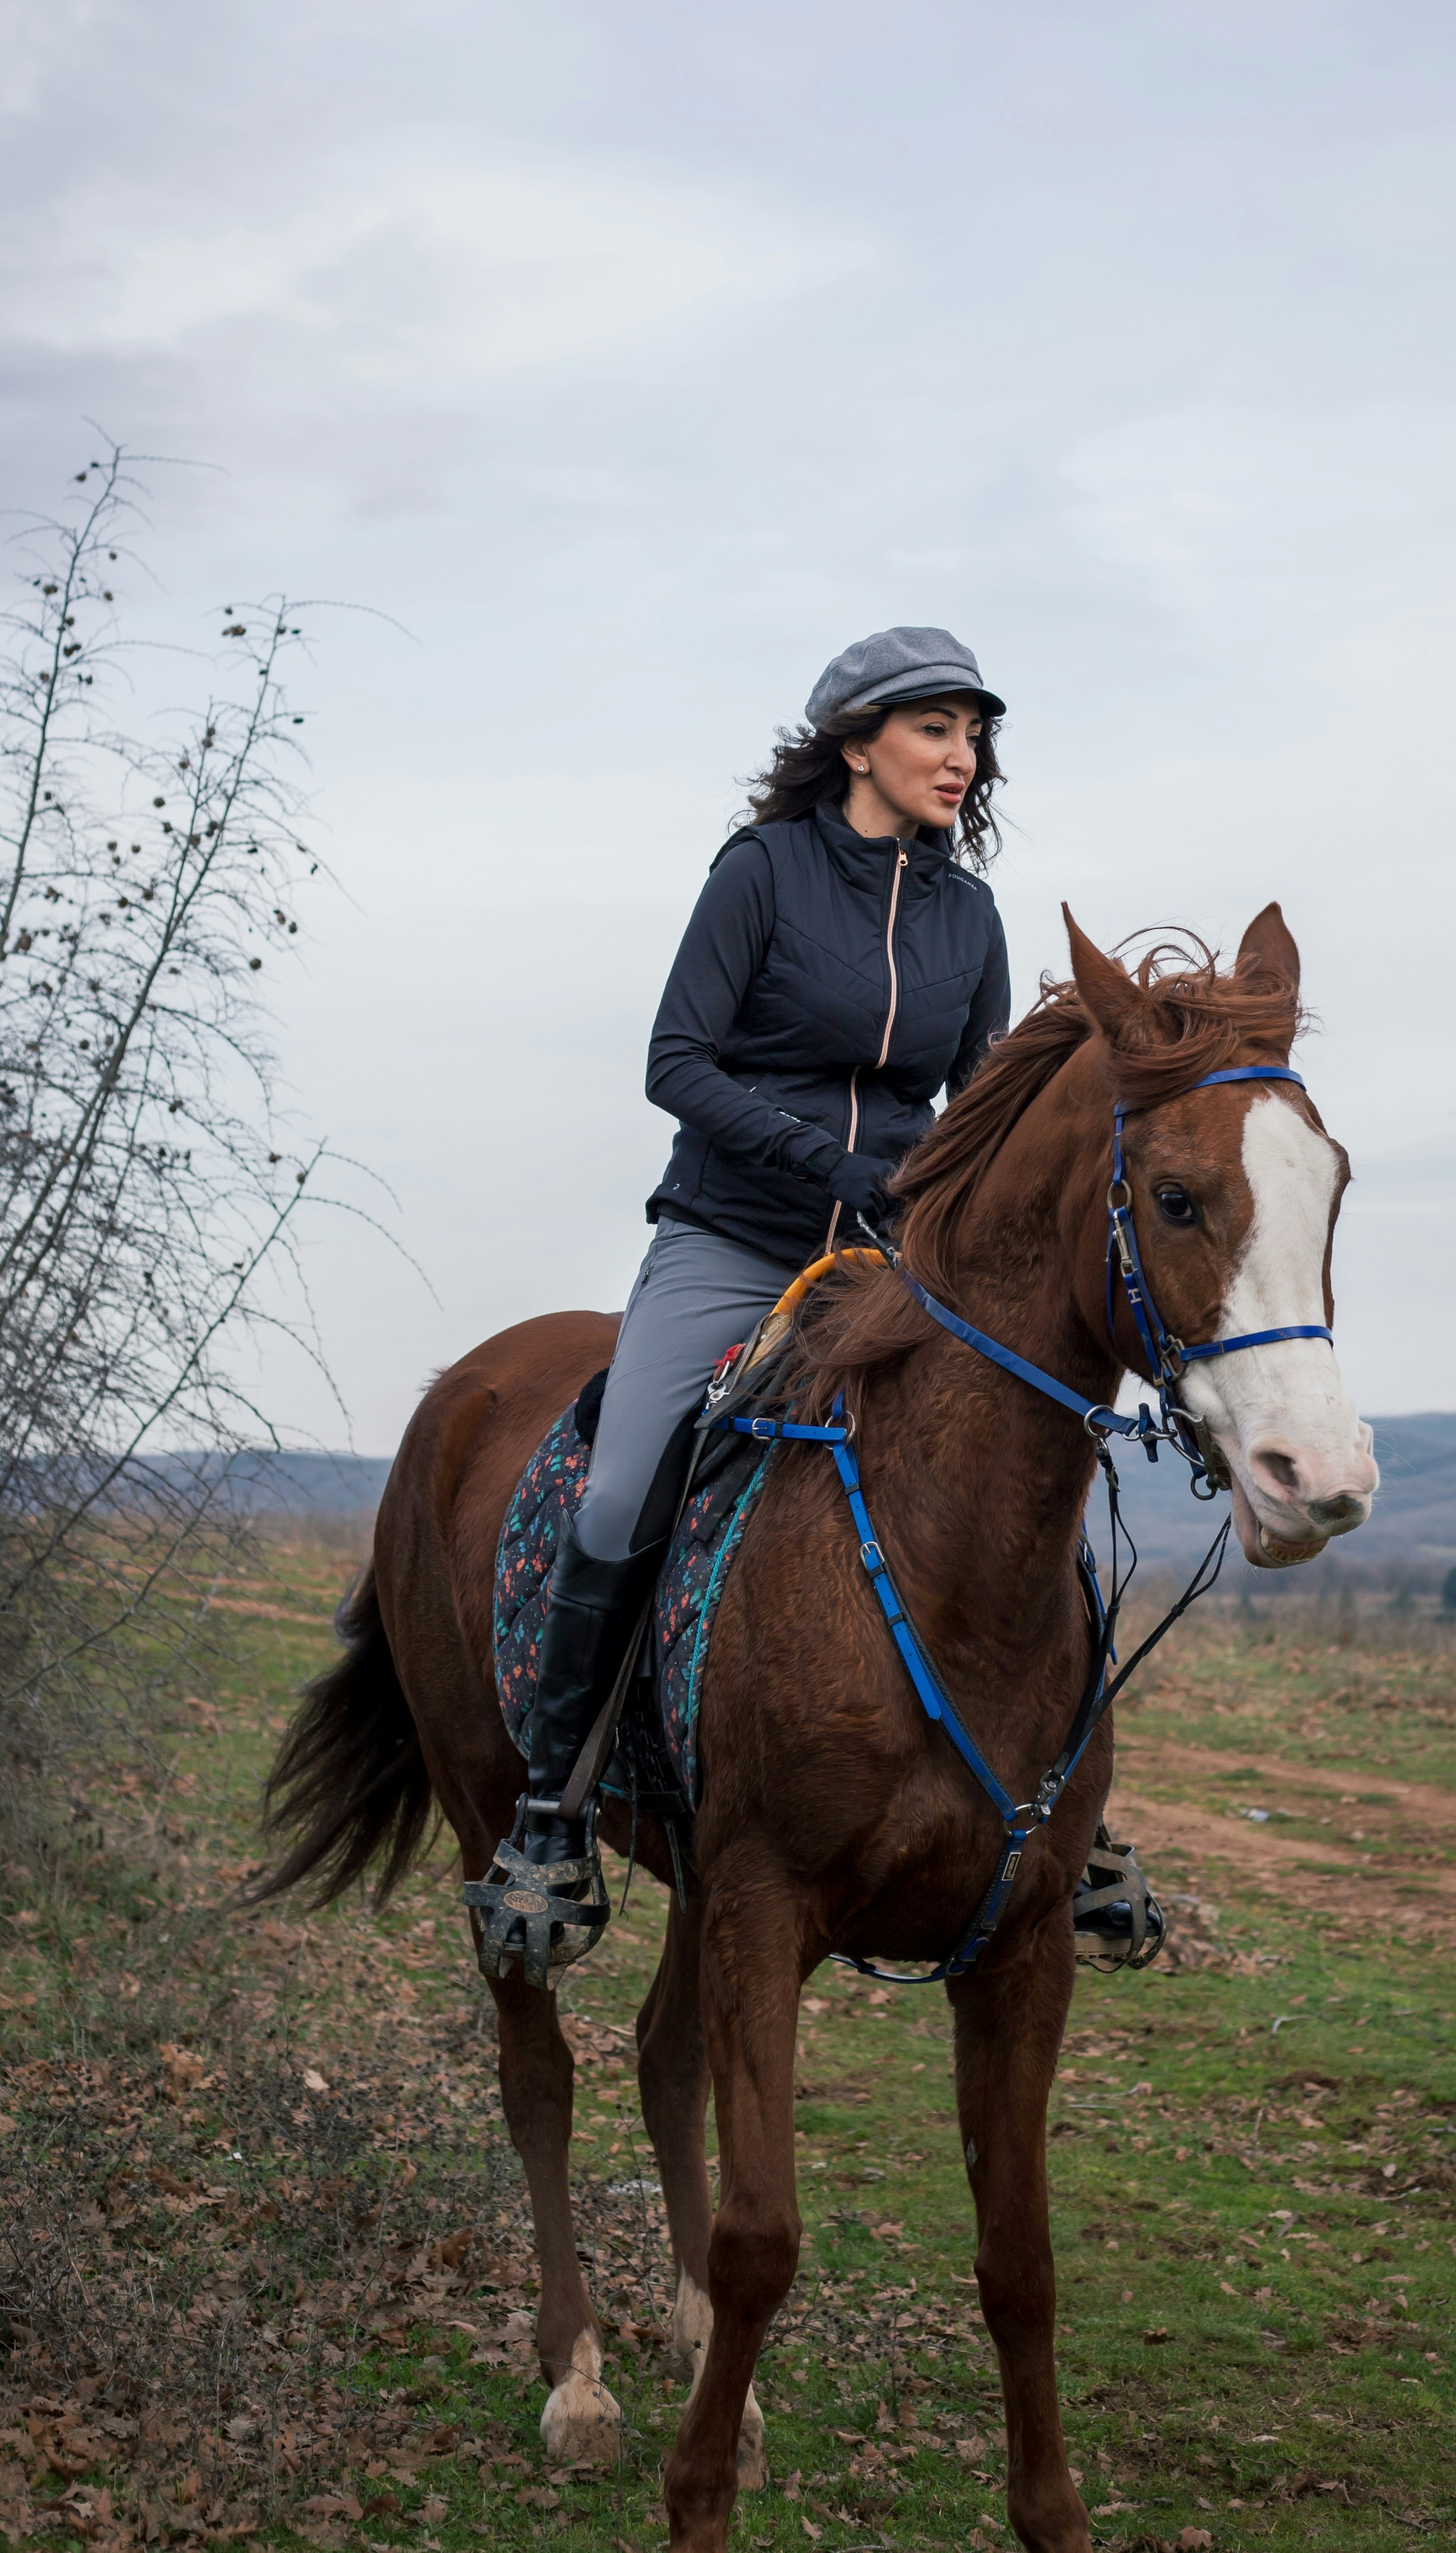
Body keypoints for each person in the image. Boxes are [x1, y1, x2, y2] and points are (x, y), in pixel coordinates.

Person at [471, 624, 1012, 1973]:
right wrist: (814, 1159)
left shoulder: (971, 913)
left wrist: (950, 1207)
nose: (963, 755)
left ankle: (1064, 1811)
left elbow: (984, 1101)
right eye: (935, 728)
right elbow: (675, 1061)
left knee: (1010, 1464)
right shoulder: (762, 873)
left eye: (973, 732)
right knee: (618, 1490)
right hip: (732, 1236)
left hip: (890, 1261)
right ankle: (551, 1804)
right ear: (856, 742)